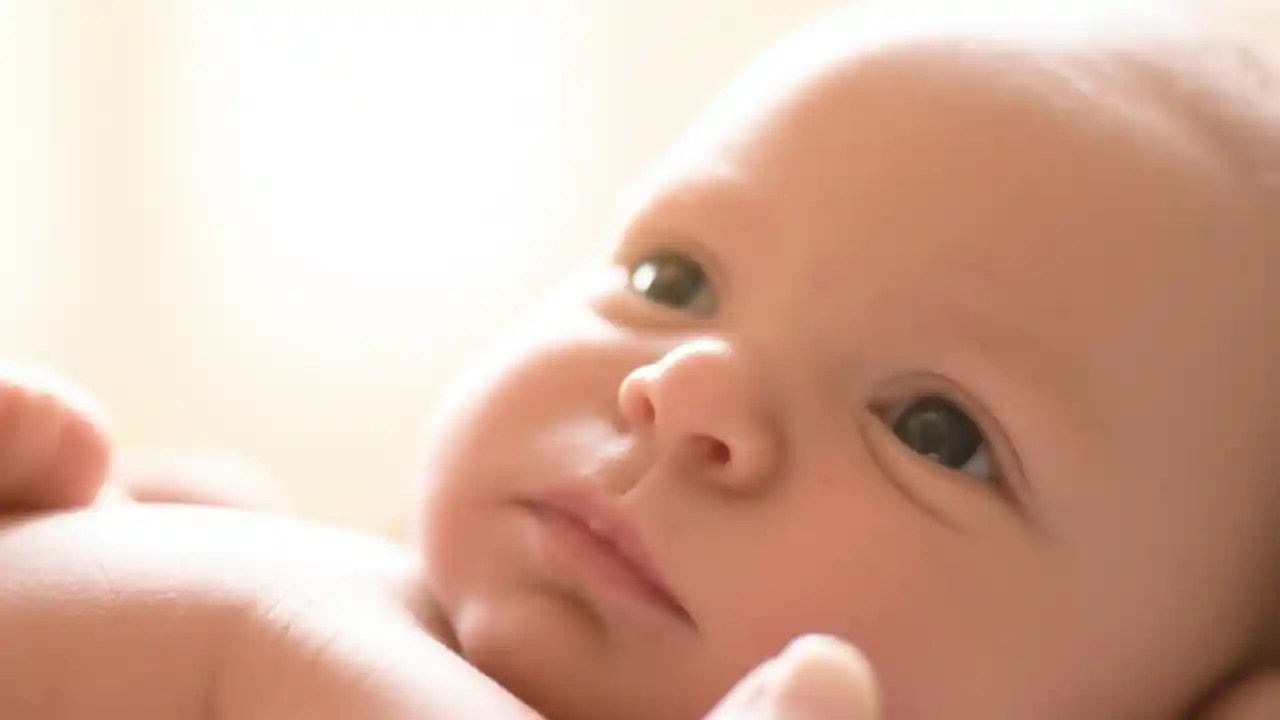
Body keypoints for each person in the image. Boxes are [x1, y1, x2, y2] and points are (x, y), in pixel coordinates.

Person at [3, 3, 1279, 717]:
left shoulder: (302, 629)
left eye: (932, 432)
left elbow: (255, 656)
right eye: (673, 282)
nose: (681, 394)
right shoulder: (294, 562)